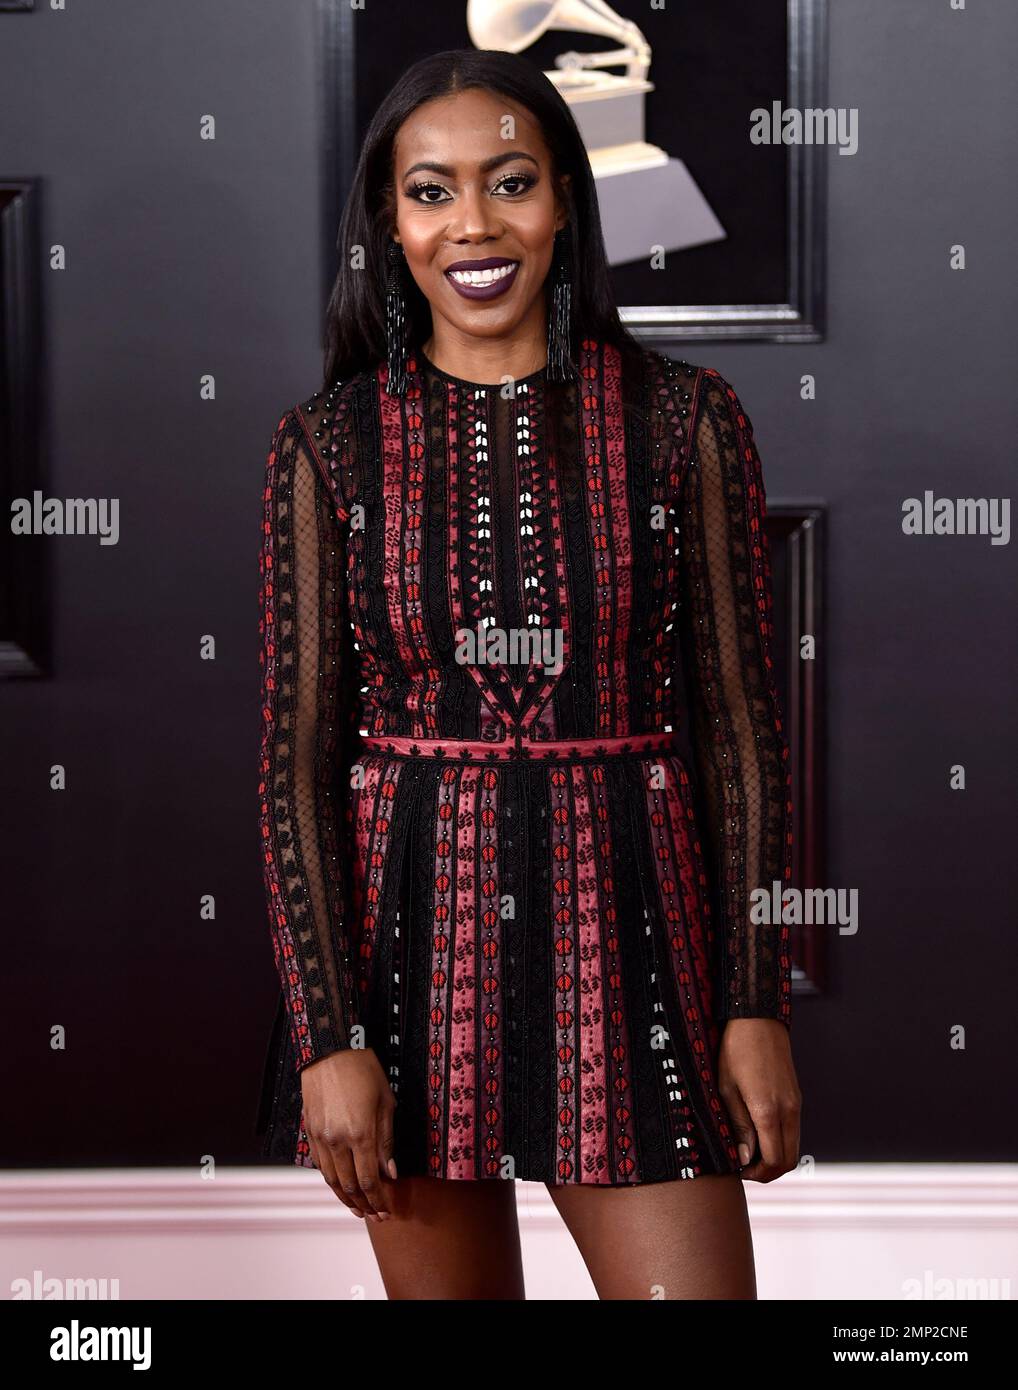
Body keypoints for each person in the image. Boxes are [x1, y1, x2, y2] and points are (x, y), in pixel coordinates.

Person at [255, 48, 801, 1300]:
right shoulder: (326, 446)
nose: (475, 225)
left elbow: (739, 737)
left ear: (564, 199)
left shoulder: (684, 417)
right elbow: (296, 765)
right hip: (406, 955)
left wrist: (755, 1001)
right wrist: (329, 1038)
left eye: (509, 182)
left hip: (638, 946)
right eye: (431, 192)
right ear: (389, 228)